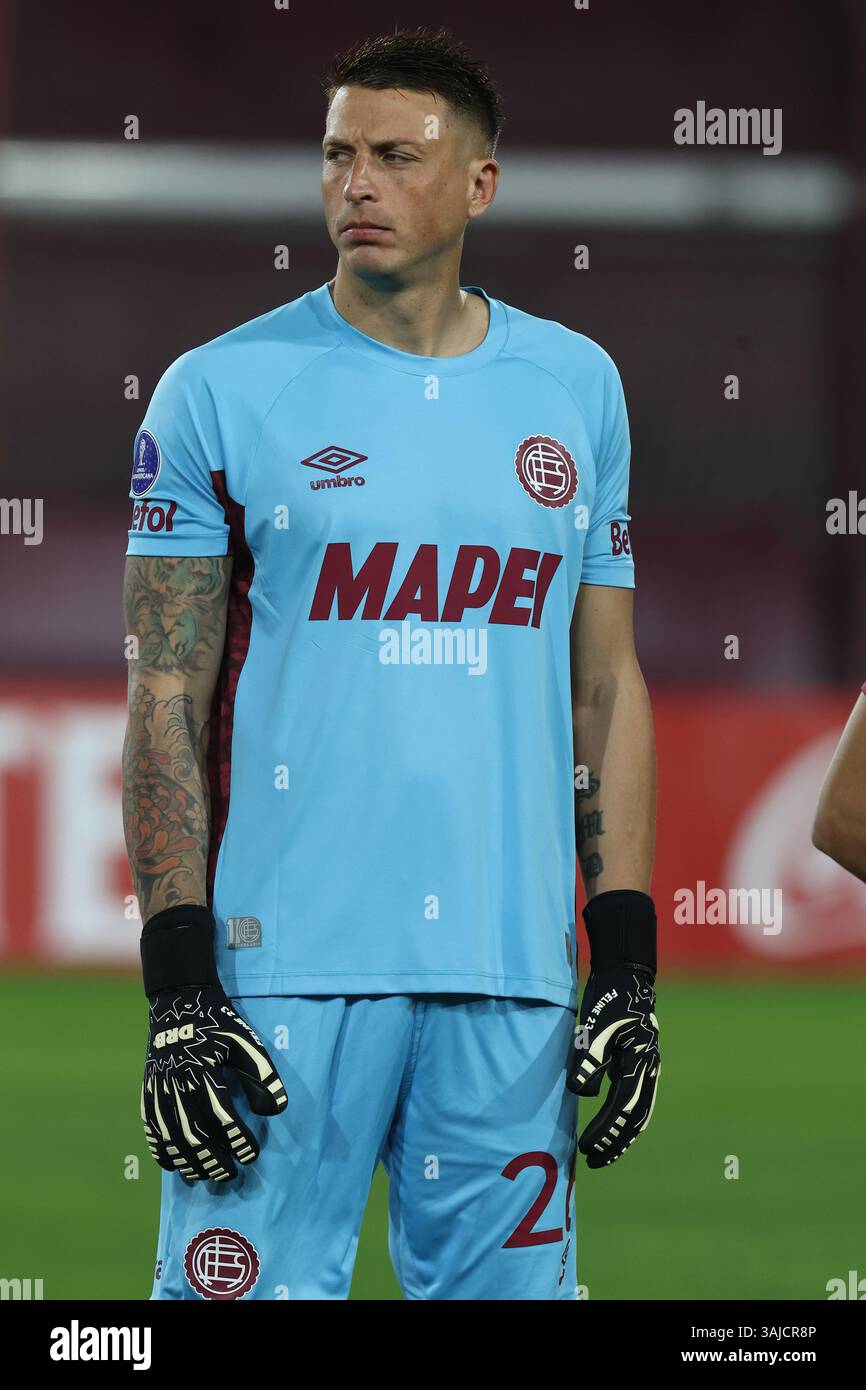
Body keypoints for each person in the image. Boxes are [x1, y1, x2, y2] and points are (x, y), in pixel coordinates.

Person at [121, 25, 660, 1302]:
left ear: (477, 183)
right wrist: (181, 986)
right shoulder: (218, 389)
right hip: (279, 970)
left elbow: (604, 687)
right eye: (336, 155)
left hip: (509, 966)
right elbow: (162, 693)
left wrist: (625, 959)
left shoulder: (576, 387)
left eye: (395, 156)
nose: (355, 183)